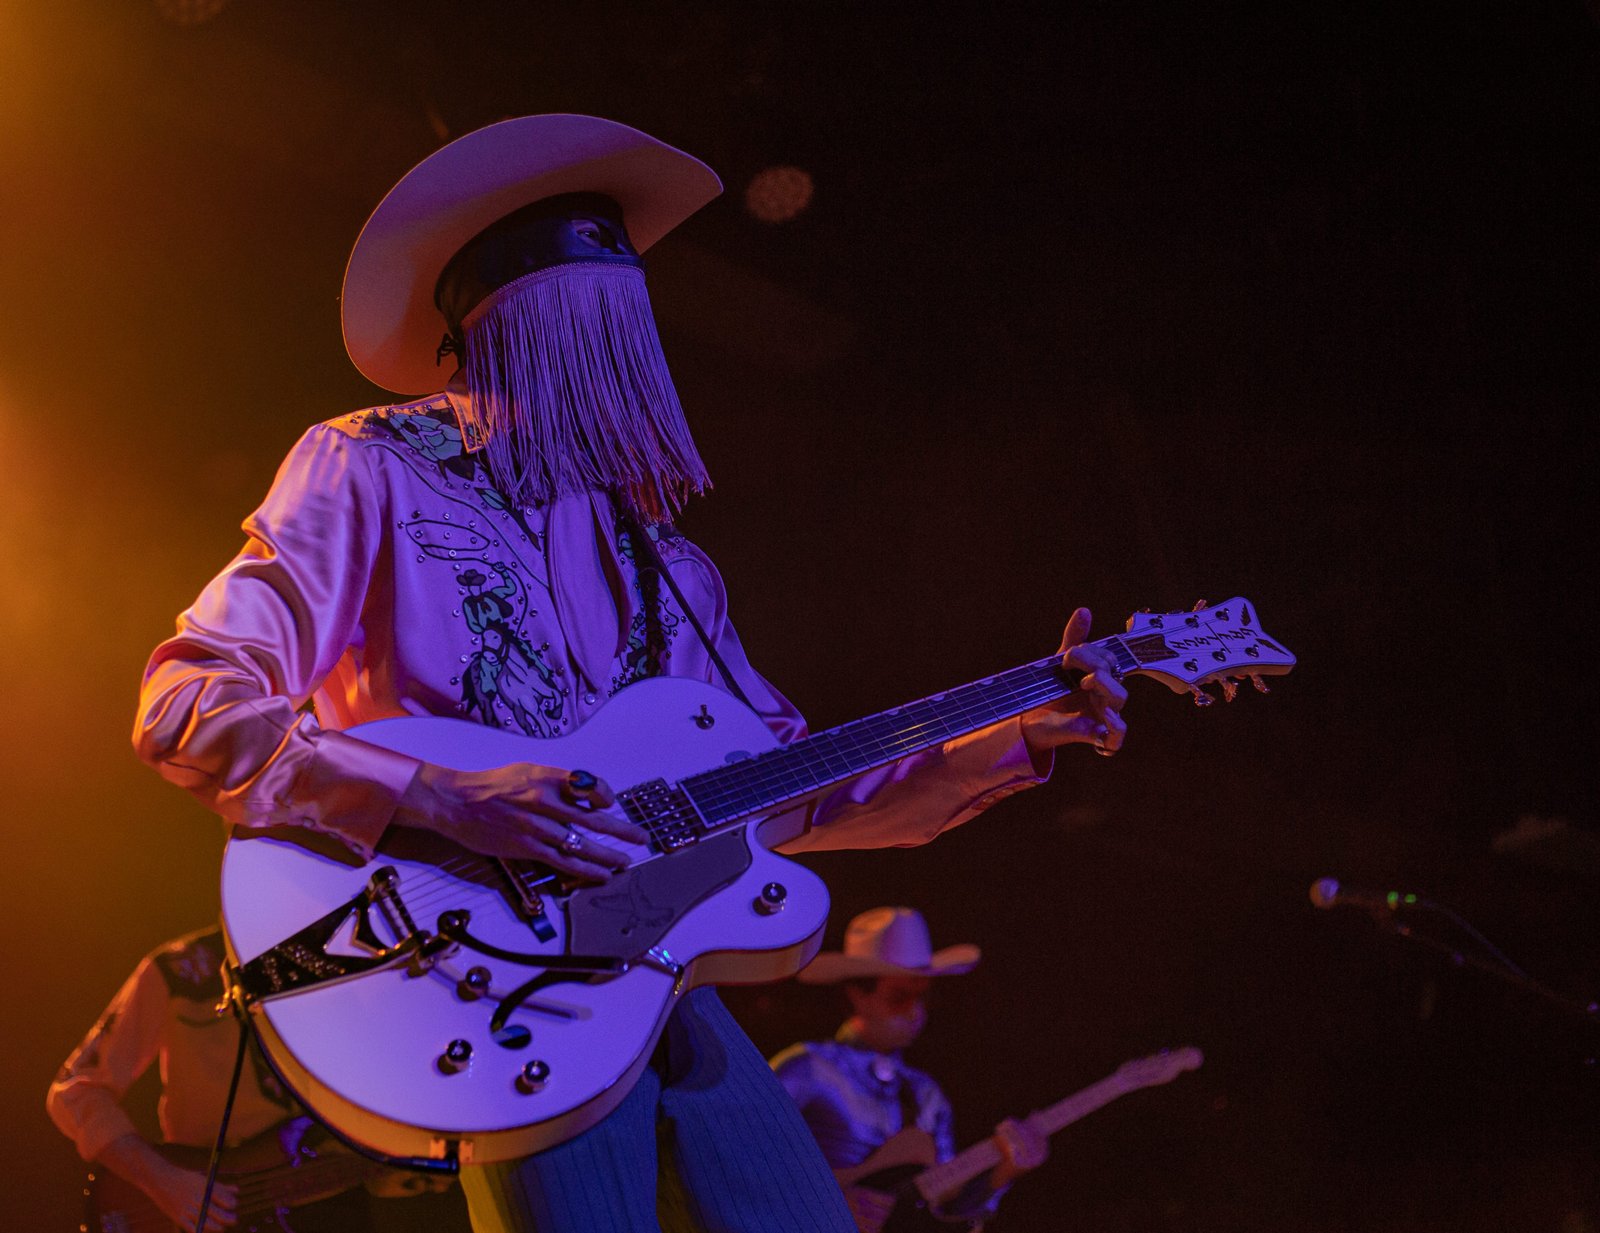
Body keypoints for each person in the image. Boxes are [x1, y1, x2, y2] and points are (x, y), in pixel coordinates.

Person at [132, 114, 1127, 1233]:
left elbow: (790, 795)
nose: (631, 345)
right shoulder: (368, 467)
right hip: (469, 974)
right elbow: (188, 704)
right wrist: (442, 795)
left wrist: (1020, 730)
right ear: (520, 325)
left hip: (652, 969)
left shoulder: (667, 566)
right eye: (598, 314)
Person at [46, 927, 454, 1233]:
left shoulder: (355, 960)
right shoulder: (179, 970)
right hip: (203, 1207)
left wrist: (392, 1166)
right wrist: (161, 1180)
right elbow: (75, 1092)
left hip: (330, 1211)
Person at [771, 908, 1049, 1231]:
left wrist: (1001, 1175)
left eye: (923, 998)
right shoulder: (808, 1067)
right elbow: (735, 1153)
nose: (914, 1011)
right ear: (858, 995)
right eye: (899, 997)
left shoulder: (927, 1094)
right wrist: (821, 1201)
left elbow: (941, 1205)